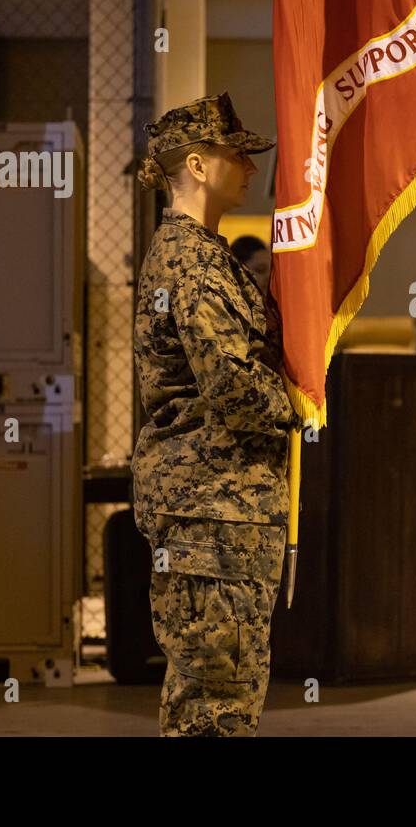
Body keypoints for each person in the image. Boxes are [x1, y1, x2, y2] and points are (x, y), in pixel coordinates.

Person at [131, 92, 300, 736]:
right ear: (198, 166)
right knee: (216, 706)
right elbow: (232, 383)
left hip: (216, 510)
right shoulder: (194, 264)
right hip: (212, 512)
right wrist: (299, 403)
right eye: (238, 156)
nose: (252, 170)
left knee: (217, 694)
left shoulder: (198, 254)